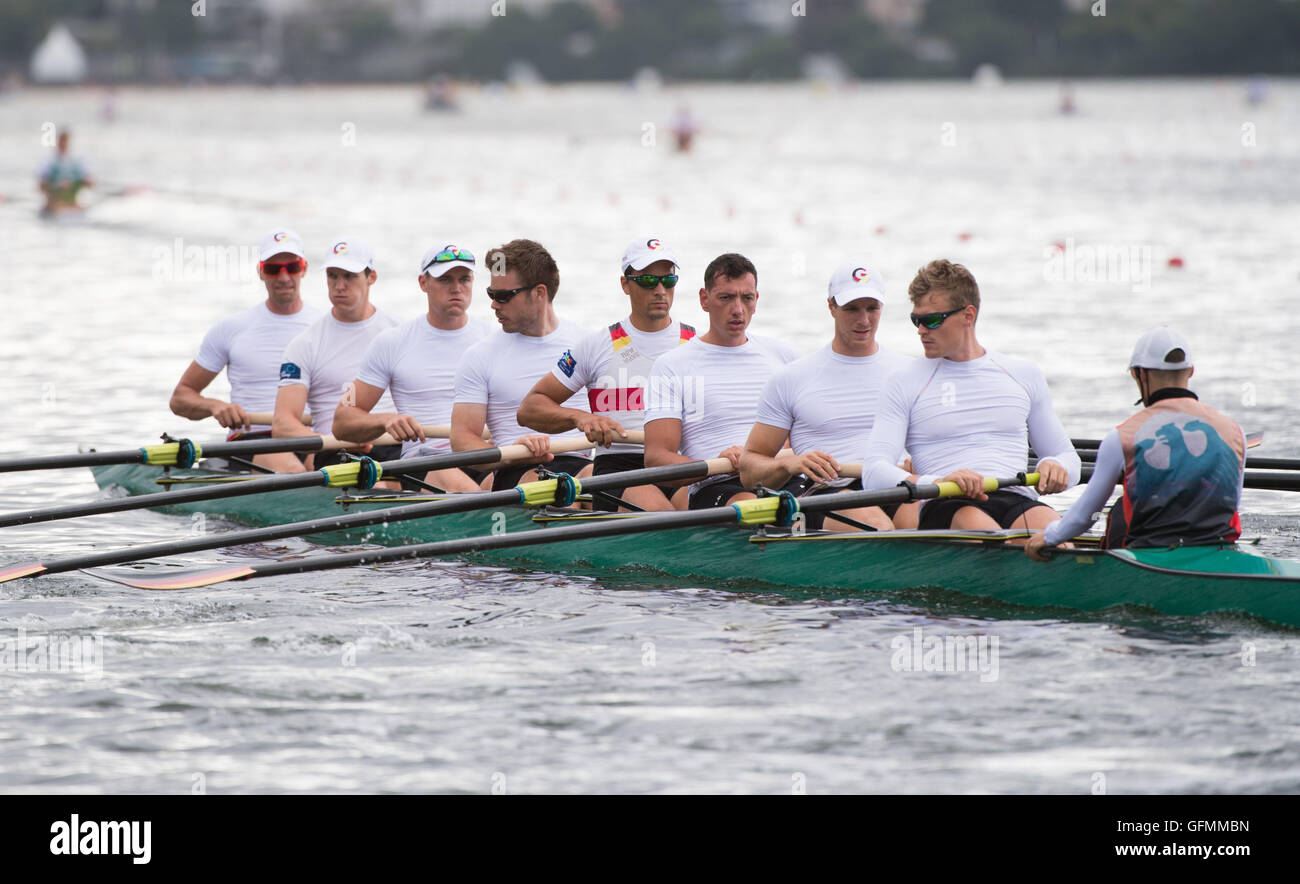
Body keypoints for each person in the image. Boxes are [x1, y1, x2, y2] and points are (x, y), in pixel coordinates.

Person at [860, 259, 1080, 531]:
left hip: (1016, 497)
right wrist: (937, 482)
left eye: (931, 320)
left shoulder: (1023, 374)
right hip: (946, 501)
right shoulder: (904, 382)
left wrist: (1055, 465)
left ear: (968, 315)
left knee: (1056, 534)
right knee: (986, 534)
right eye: (916, 320)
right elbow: (874, 472)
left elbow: (1070, 459)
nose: (921, 330)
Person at [1026, 327, 1246, 560]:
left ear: (1138, 374)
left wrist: (1049, 536)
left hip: (1149, 557)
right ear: (1191, 372)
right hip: (1221, 550)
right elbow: (1232, 501)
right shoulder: (1234, 431)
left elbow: (1084, 516)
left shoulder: (1121, 437)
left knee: (1121, 509)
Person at [517, 237, 695, 511]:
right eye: (648, 281)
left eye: (668, 280)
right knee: (662, 514)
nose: (660, 290)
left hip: (683, 465)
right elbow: (530, 408)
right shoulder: (597, 345)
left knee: (708, 515)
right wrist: (582, 418)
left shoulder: (696, 343)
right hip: (619, 466)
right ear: (625, 284)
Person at [740, 259, 915, 531]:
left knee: (928, 524)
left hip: (897, 483)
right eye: (852, 308)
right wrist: (791, 464)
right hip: (828, 488)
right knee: (879, 528)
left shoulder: (909, 371)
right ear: (831, 306)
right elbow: (749, 470)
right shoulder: (792, 378)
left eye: (872, 308)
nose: (864, 320)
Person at [643, 253, 800, 508]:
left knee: (854, 507)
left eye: (746, 298)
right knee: (762, 508)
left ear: (756, 300)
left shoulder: (784, 356)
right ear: (705, 299)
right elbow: (656, 457)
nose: (738, 309)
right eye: (726, 298)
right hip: (718, 483)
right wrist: (716, 465)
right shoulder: (672, 366)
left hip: (784, 477)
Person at [332, 242, 490, 491]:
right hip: (424, 459)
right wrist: (386, 420)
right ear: (423, 283)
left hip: (482, 455)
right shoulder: (391, 343)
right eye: (445, 279)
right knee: (460, 484)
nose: (457, 288)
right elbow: (343, 420)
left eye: (464, 279)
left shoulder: (493, 338)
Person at [169, 229, 323, 472]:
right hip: (252, 438)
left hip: (313, 436)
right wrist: (215, 406)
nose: (283, 277)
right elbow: (180, 398)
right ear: (260, 272)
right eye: (273, 269)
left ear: (304, 268)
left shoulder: (327, 326)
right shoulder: (231, 329)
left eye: (291, 267)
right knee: (293, 471)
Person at [450, 239, 594, 490]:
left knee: (595, 479)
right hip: (517, 470)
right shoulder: (480, 356)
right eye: (491, 294)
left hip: (583, 464)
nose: (494, 304)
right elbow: (462, 440)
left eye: (504, 296)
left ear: (539, 293)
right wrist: (510, 453)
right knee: (552, 488)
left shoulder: (589, 345)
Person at [273, 236, 399, 469]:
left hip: (397, 448)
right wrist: (332, 441)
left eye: (349, 276)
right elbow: (283, 425)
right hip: (337, 450)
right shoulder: (305, 344)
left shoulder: (399, 332)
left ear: (371, 277)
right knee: (381, 486)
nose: (339, 285)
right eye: (333, 276)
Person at [38, 128, 92, 214]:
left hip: (73, 204)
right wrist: (58, 185)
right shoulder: (48, 163)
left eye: (65, 141)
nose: (63, 144)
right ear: (57, 142)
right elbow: (40, 187)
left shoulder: (77, 163)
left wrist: (80, 182)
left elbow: (90, 184)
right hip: (54, 205)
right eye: (61, 141)